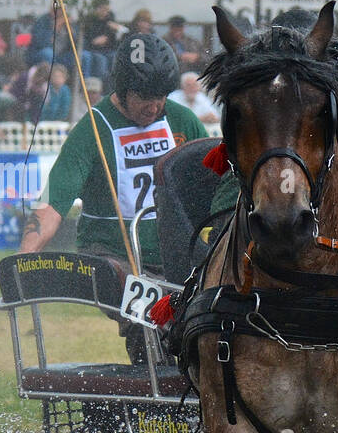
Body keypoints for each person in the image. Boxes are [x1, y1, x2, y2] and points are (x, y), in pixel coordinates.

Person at [19, 33, 206, 360]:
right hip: (111, 256)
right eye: (144, 97)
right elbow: (54, 201)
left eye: (160, 97)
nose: (154, 106)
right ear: (122, 89)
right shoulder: (92, 129)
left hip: (174, 259)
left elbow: (218, 177)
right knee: (146, 303)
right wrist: (24, 259)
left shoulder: (182, 121)